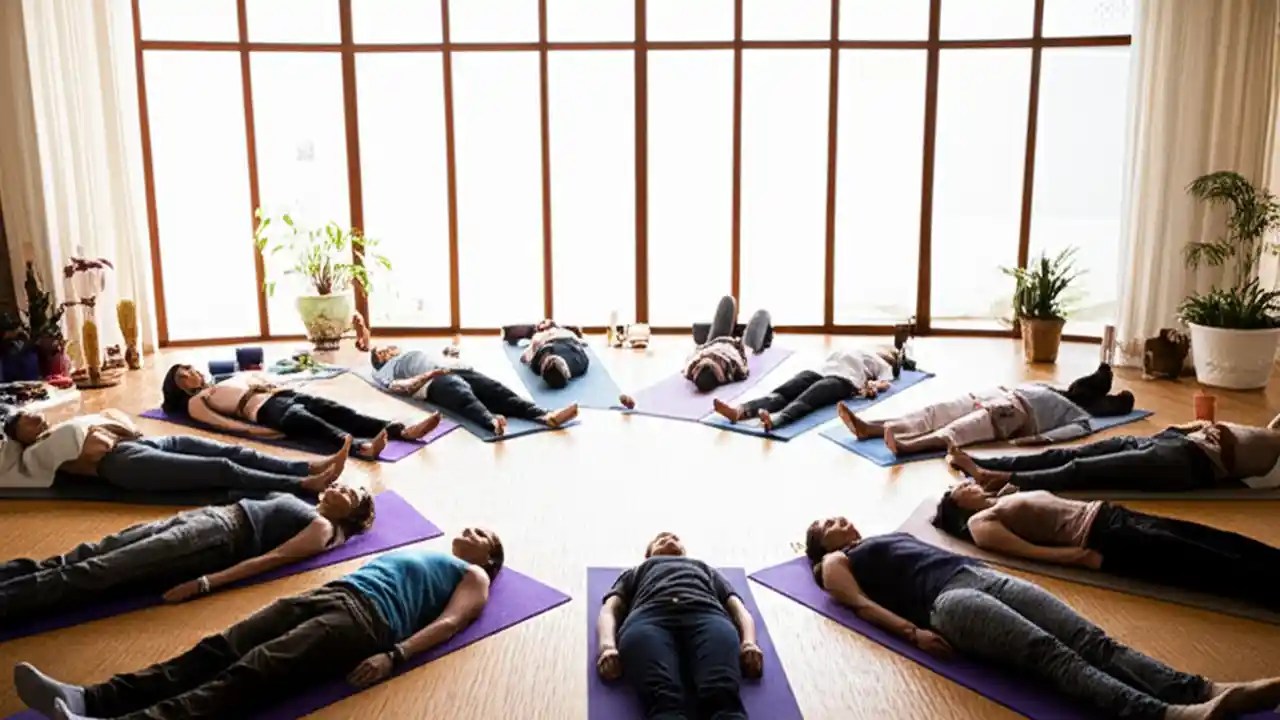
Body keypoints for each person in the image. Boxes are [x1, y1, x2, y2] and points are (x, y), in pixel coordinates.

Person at [803, 517, 1280, 720]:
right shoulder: (835, 563)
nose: (836, 520)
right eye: (825, 525)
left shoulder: (882, 535)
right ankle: (1166, 715)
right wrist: (913, 633)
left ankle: (1201, 689)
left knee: (1092, 640)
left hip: (979, 575)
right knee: (1055, 658)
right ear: (822, 546)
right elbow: (860, 605)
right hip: (948, 605)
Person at [15, 528, 504, 720]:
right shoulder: (433, 551)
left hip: (364, 623)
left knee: (252, 671)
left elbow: (450, 623)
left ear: (490, 557)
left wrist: (394, 654)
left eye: (481, 534)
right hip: (329, 596)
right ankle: (91, 698)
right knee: (217, 647)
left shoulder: (474, 574)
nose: (469, 532)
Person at [0, 483, 376, 622]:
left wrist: (205, 583)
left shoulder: (323, 528)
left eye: (349, 494)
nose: (340, 489)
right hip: (207, 518)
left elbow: (270, 560)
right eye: (342, 485)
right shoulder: (308, 504)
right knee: (84, 553)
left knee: (96, 569)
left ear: (353, 515)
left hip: (215, 537)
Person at [932, 480, 1280, 609]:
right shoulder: (980, 525)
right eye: (960, 488)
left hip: (1111, 515)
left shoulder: (999, 499)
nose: (967, 484)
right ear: (958, 504)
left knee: (1207, 537)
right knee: (1203, 561)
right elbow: (1027, 552)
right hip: (1103, 539)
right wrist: (1078, 558)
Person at [596, 532, 762, 719]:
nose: (669, 539)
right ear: (649, 554)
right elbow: (610, 609)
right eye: (661, 540)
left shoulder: (705, 568)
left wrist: (749, 642)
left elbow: (738, 609)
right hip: (649, 619)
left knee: (722, 692)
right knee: (663, 697)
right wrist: (607, 647)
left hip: (707, 615)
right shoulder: (636, 571)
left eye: (675, 538)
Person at [0, 408, 348, 495]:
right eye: (28, 421)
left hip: (140, 443)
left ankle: (307, 467)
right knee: (221, 468)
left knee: (233, 451)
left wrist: (102, 427)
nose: (37, 418)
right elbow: (100, 445)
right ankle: (302, 486)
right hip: (122, 463)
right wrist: (101, 428)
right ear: (22, 437)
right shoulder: (39, 450)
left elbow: (123, 426)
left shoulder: (64, 427)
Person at [838, 363, 1135, 456]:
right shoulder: (1059, 392)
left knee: (959, 429)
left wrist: (1036, 440)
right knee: (936, 410)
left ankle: (907, 446)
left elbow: (1077, 430)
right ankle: (870, 428)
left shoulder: (1082, 414)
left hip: (1016, 413)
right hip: (1004, 394)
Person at [947, 414, 1280, 495]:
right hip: (1176, 440)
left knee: (1082, 468)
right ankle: (987, 463)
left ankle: (1003, 479)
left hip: (1190, 464)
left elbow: (1260, 479)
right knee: (1071, 451)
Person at [162, 364, 441, 459]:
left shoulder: (221, 380)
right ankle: (361, 448)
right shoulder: (196, 401)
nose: (189, 372)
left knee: (339, 411)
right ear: (180, 388)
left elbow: (261, 379)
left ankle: (400, 430)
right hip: (264, 411)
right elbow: (222, 424)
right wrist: (260, 433)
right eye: (181, 376)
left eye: (187, 367)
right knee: (315, 425)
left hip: (282, 394)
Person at [368, 345, 578, 436]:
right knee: (460, 392)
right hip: (432, 381)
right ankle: (491, 421)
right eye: (381, 353)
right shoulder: (384, 370)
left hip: (454, 369)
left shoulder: (411, 350)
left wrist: (452, 358)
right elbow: (398, 386)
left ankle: (546, 415)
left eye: (386, 348)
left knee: (496, 391)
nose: (386, 351)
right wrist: (429, 376)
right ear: (380, 362)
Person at [712, 346, 899, 431]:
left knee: (807, 400)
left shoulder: (881, 362)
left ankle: (774, 421)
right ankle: (739, 411)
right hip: (818, 371)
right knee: (781, 394)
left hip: (843, 380)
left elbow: (885, 382)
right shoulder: (855, 348)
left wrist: (873, 385)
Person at [684, 296, 771, 393]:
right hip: (741, 348)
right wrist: (740, 349)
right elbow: (744, 370)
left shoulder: (692, 367)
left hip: (715, 341)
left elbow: (693, 355)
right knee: (762, 314)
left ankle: (735, 331)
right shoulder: (730, 371)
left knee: (728, 301)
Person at [520, 319, 589, 389]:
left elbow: (525, 357)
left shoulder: (537, 362)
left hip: (551, 338)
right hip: (565, 337)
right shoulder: (579, 365)